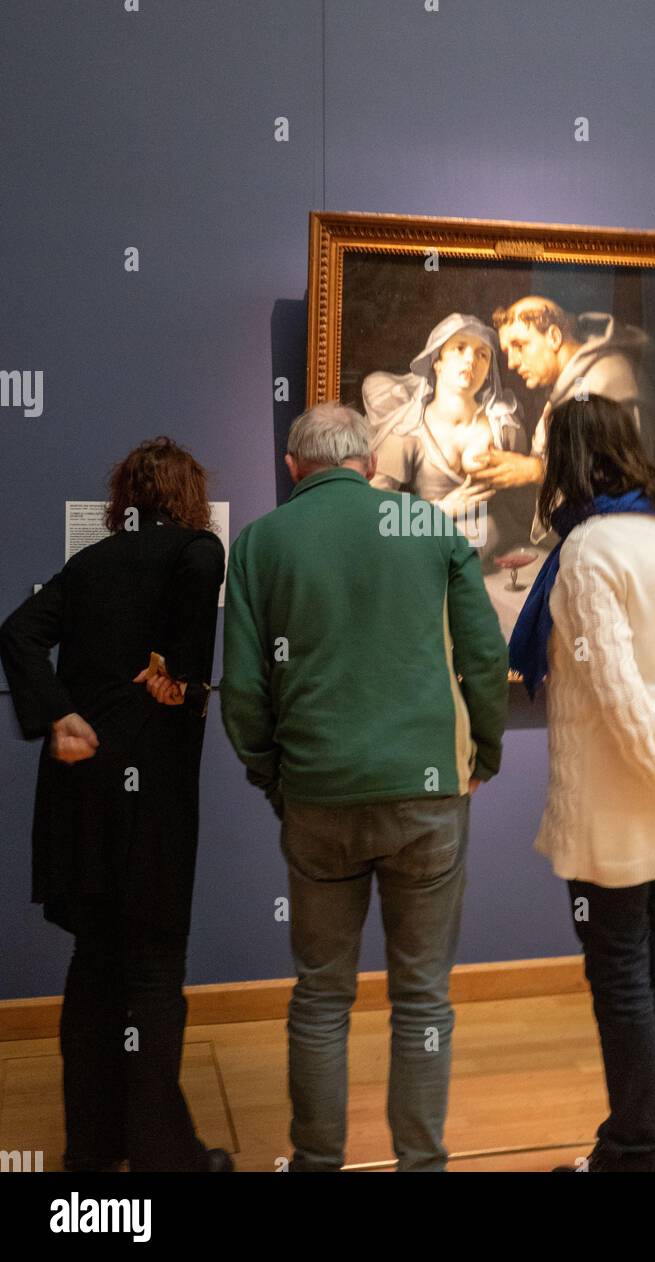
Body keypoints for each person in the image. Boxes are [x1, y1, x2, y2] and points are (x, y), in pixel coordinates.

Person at [220, 402, 509, 1172]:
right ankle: (421, 1162)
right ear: (370, 464)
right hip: (428, 796)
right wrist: (482, 754)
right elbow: (483, 656)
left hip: (316, 794)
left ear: (294, 469)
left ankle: (316, 1162)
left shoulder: (258, 543)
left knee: (320, 997)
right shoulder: (426, 528)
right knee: (422, 998)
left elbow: (243, 692)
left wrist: (274, 778)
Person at [509, 394, 655, 1173]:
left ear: (568, 460)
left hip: (618, 814)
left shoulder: (589, 552)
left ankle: (630, 1152)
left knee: (621, 977)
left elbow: (617, 699)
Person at [0, 437, 229, 1173]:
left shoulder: (91, 563)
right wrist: (185, 676)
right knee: (155, 974)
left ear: (125, 499)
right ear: (187, 495)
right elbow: (194, 595)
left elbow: (17, 634)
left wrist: (57, 714)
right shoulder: (197, 550)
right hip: (149, 795)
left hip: (79, 794)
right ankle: (168, 1162)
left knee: (96, 969)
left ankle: (94, 1153)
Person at [363, 312, 530, 563]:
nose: (471, 360)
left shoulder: (504, 425)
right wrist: (442, 510)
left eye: (482, 354)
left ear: (488, 370)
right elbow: (371, 508)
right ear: (436, 362)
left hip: (499, 550)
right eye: (460, 348)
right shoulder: (409, 432)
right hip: (428, 549)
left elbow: (526, 498)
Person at [473, 297, 655, 496]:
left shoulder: (605, 379)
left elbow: (622, 477)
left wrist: (537, 470)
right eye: (507, 352)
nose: (512, 363)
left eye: (519, 346)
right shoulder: (576, 382)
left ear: (554, 337)